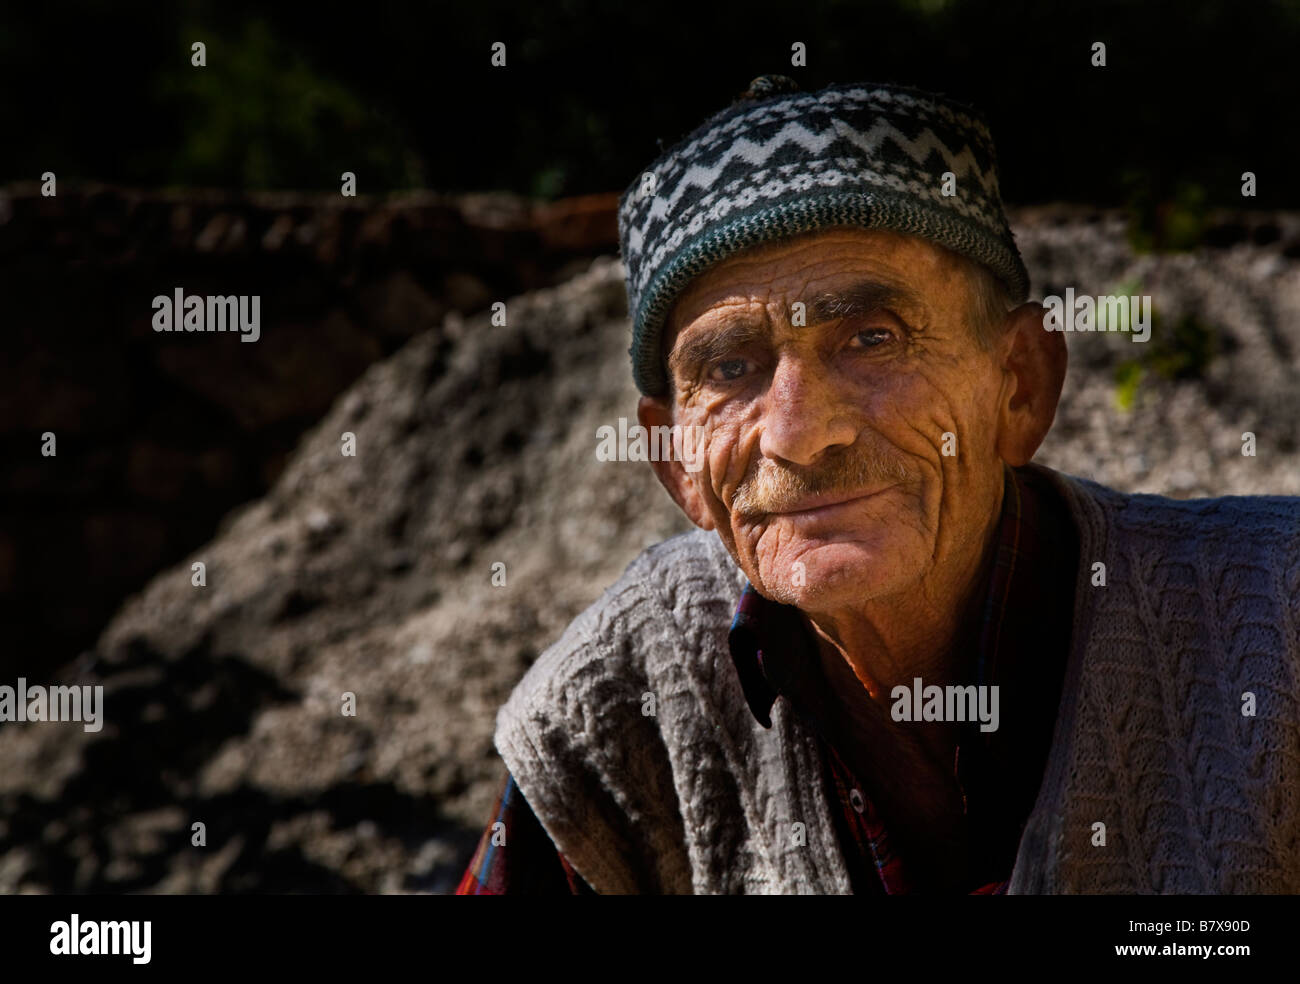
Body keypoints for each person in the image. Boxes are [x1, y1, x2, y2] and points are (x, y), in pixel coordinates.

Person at [457, 75, 1300, 894]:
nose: (798, 434)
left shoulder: (1278, 622)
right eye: (729, 366)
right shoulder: (614, 701)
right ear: (677, 461)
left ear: (1020, 385)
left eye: (871, 337)